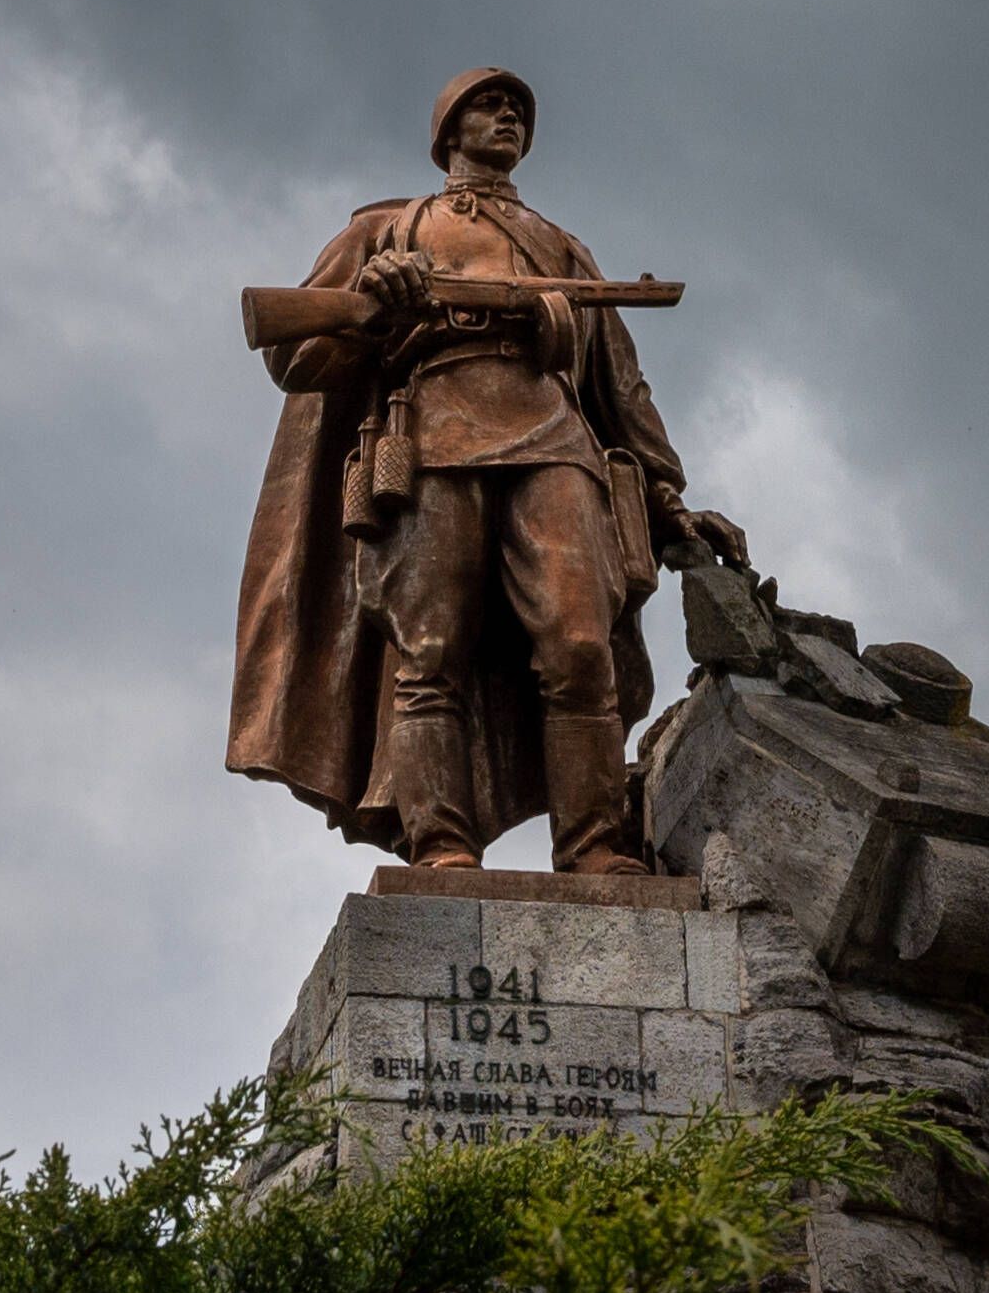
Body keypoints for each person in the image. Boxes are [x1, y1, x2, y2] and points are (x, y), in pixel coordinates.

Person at [226, 67, 743, 871]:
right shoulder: (391, 228)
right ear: (447, 131)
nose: (506, 118)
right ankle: (439, 842)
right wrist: (376, 297)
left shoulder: (563, 247)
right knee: (430, 651)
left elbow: (620, 385)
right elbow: (297, 359)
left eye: (517, 112)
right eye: (487, 105)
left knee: (579, 644)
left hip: (553, 439)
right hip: (432, 436)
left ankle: (594, 844)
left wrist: (670, 498)